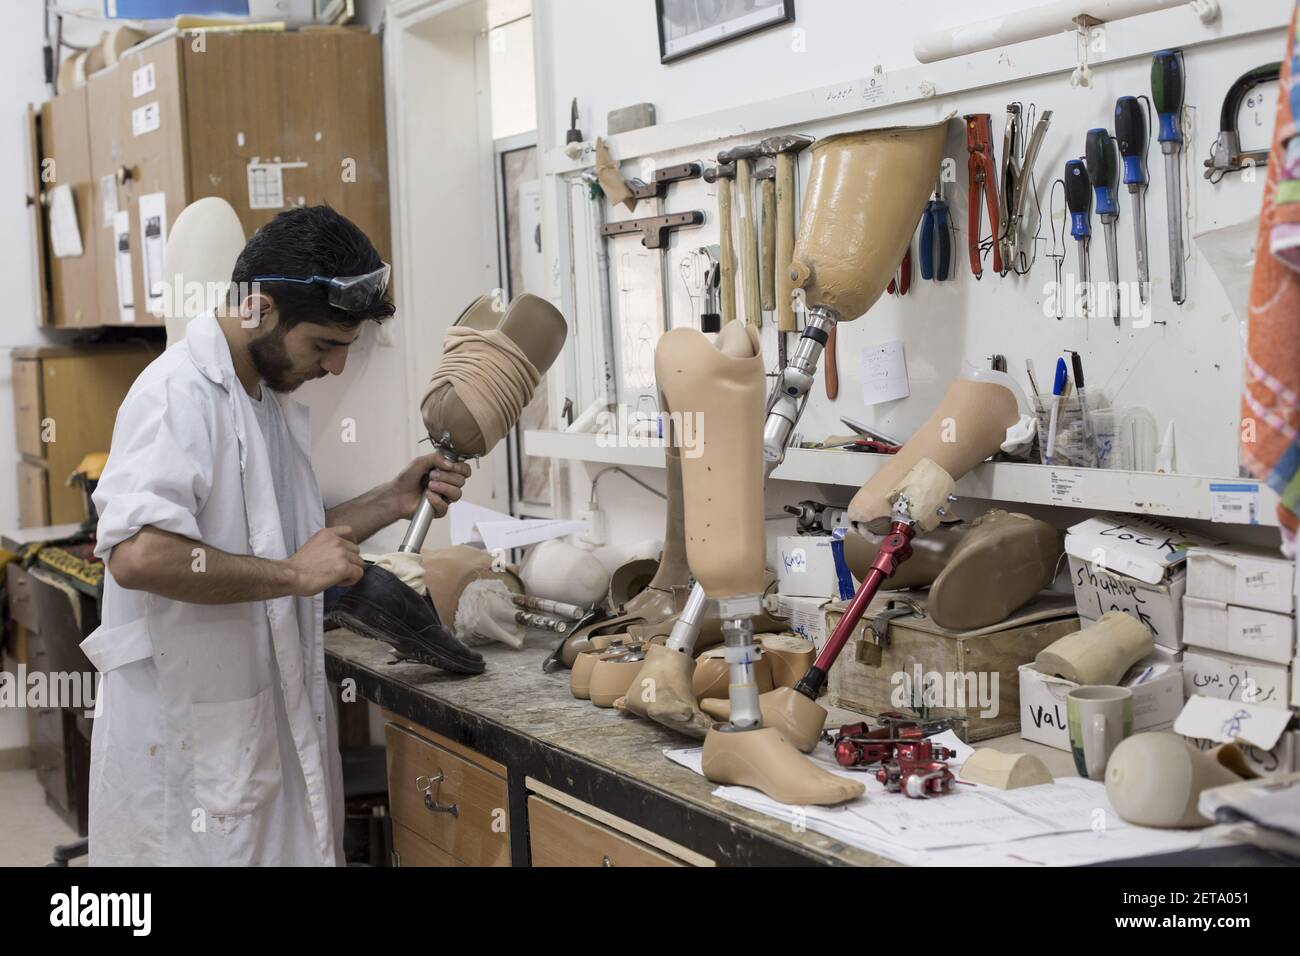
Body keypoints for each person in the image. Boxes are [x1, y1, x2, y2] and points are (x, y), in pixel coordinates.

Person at [81, 205, 470, 865]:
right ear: (259, 308)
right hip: (190, 750)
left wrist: (391, 500)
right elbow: (140, 556)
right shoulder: (178, 396)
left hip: (250, 734)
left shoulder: (264, 397)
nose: (338, 367)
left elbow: (281, 541)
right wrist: (294, 578)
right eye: (324, 345)